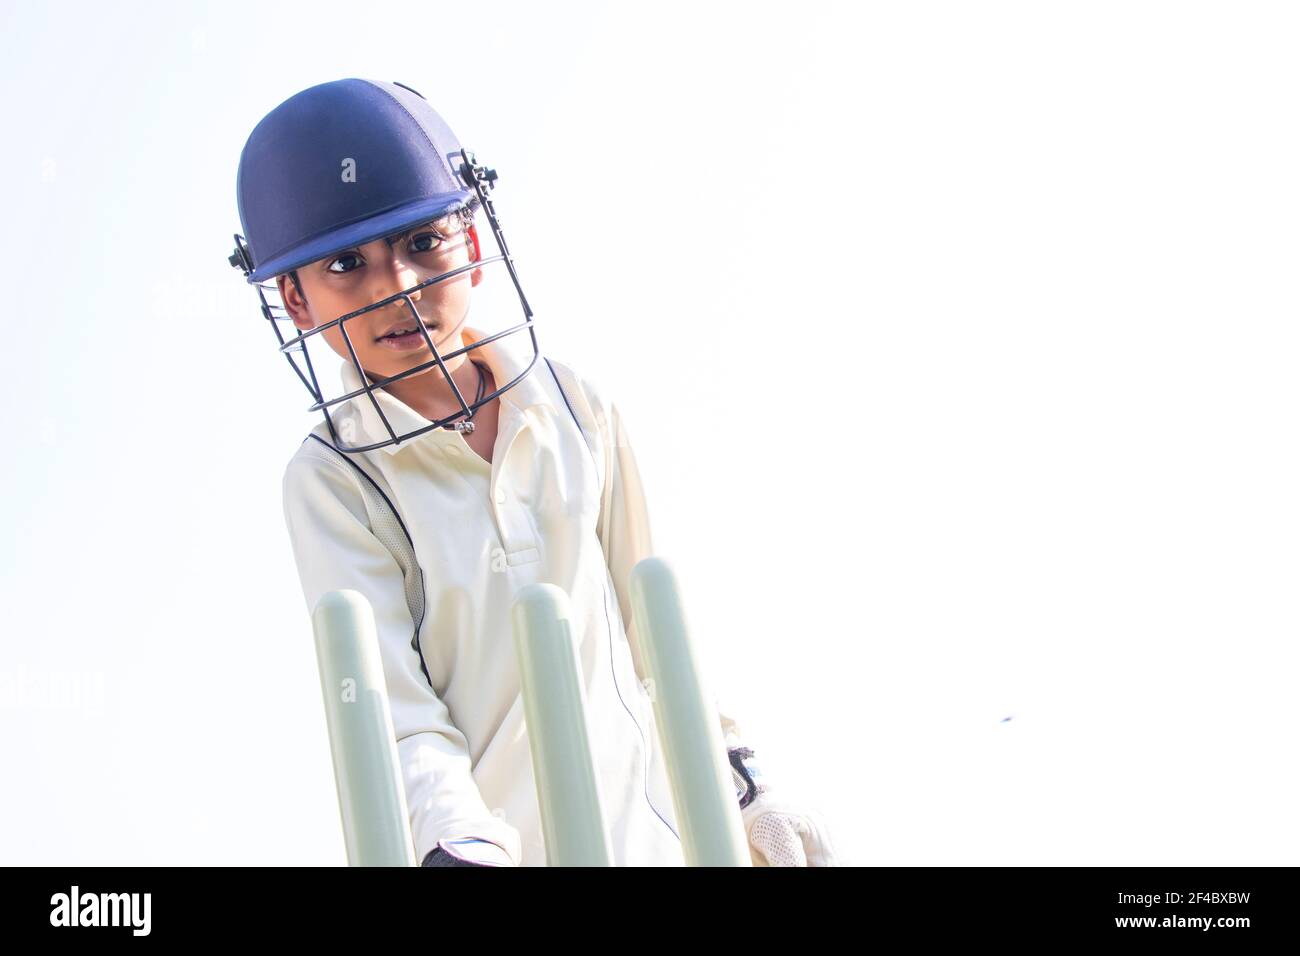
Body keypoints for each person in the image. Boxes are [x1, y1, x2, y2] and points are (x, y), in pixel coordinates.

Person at [229, 77, 839, 867]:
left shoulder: (573, 404)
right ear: (296, 302)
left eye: (423, 243)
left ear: (473, 245)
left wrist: (745, 789)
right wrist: (459, 844)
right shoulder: (334, 482)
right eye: (347, 263)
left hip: (658, 843)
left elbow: (653, 628)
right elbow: (390, 706)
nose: (399, 290)